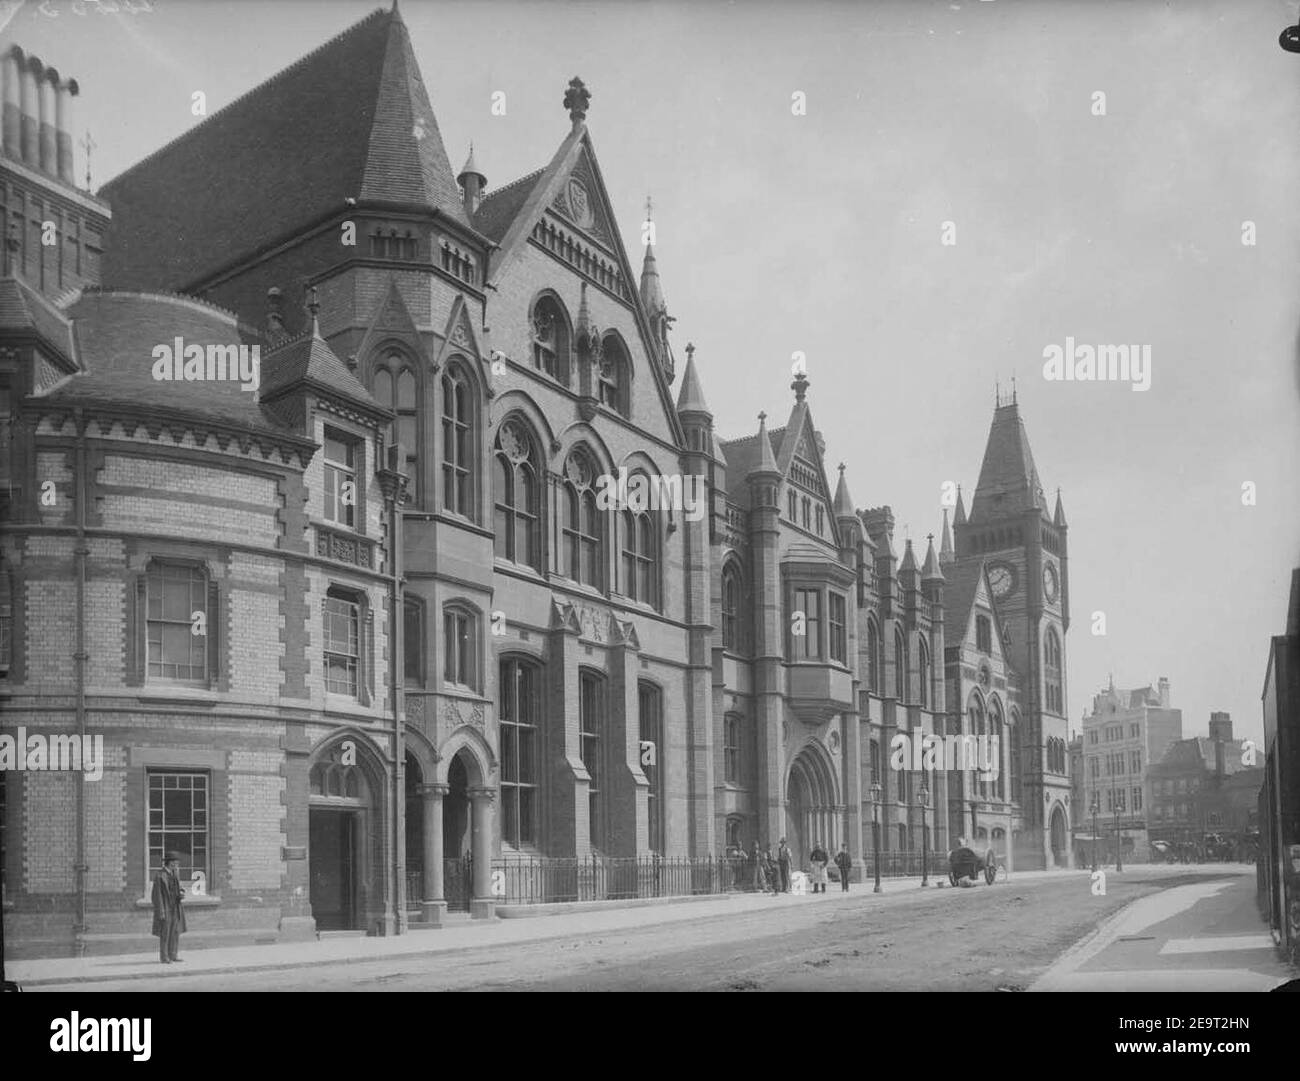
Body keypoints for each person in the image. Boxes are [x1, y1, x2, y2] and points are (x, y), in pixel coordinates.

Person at [151, 852, 187, 964]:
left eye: (177, 862)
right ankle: (164, 957)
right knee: (165, 933)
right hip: (166, 908)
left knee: (175, 932)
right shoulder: (160, 875)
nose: (176, 864)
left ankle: (173, 955)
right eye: (174, 862)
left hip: (175, 907)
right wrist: (160, 910)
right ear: (169, 862)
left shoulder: (174, 874)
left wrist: (181, 893)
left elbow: (178, 888)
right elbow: (156, 895)